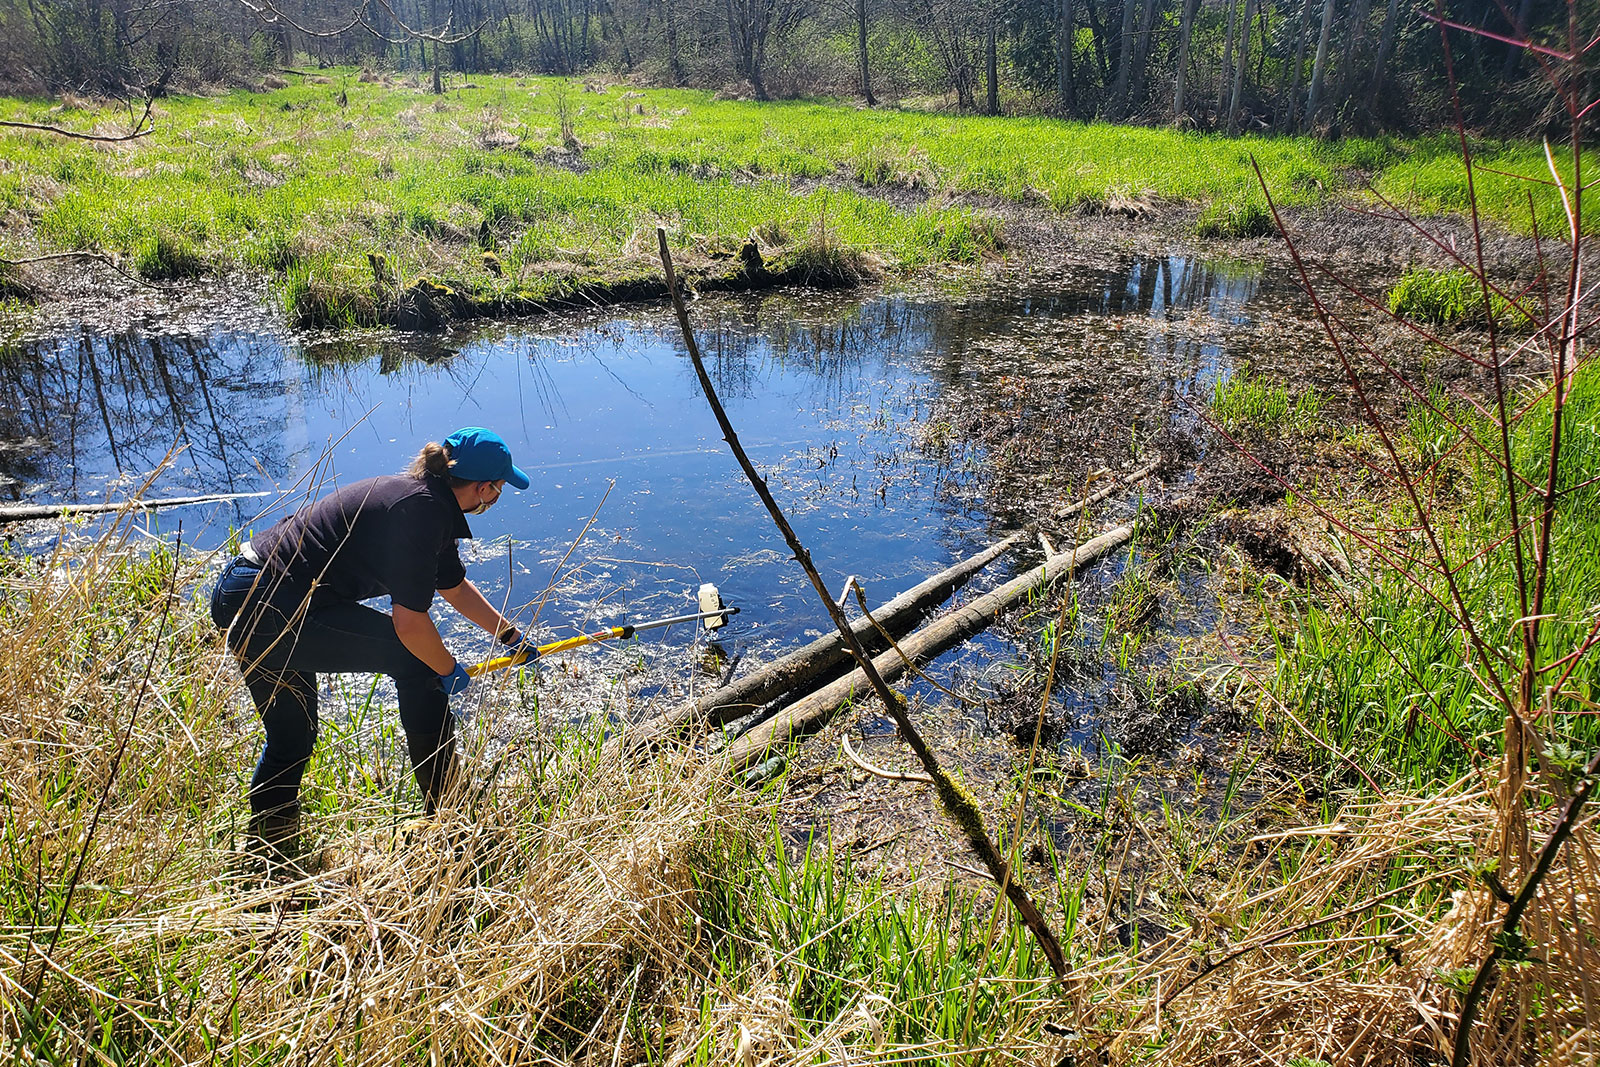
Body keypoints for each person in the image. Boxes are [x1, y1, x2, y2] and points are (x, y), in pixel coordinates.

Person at [209, 427, 538, 865]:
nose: (496, 499)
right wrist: (444, 668)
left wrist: (509, 635)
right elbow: (408, 626)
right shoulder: (422, 514)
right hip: (271, 606)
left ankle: (268, 845)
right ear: (483, 488)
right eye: (499, 489)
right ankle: (452, 811)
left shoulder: (423, 502)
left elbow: (454, 588)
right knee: (416, 663)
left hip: (242, 596)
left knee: (294, 733)